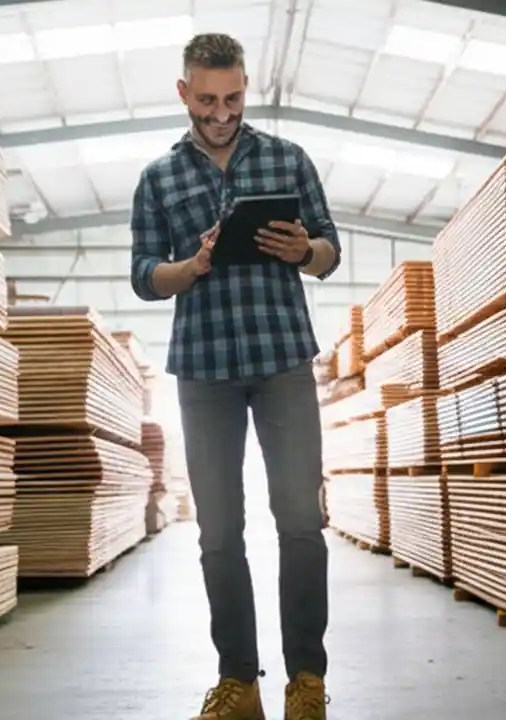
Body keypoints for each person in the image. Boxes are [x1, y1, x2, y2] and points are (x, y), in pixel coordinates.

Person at [129, 32, 340, 720]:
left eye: (234, 98)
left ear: (246, 88)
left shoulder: (287, 158)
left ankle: (306, 682)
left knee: (301, 521)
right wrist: (188, 268)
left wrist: (303, 249)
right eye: (208, 99)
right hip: (205, 368)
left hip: (282, 359)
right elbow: (142, 275)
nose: (222, 113)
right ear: (184, 91)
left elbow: (331, 251)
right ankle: (239, 684)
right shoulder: (158, 178)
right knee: (219, 531)